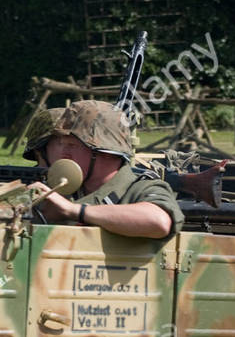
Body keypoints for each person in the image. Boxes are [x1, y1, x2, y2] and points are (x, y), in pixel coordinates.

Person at [24, 101, 182, 239]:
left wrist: (73, 211)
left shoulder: (140, 189)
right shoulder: (67, 190)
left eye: (72, 145)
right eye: (60, 145)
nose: (64, 154)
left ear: (107, 154)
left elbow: (159, 221)